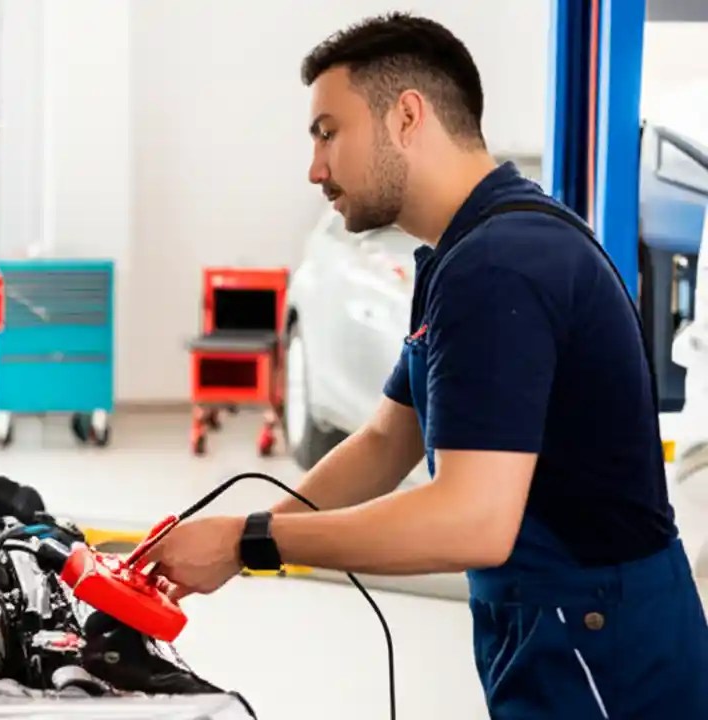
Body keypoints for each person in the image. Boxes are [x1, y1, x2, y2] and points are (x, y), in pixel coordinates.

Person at [143, 12, 708, 719]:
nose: (315, 168)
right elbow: (385, 441)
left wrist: (250, 542)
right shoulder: (467, 251)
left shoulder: (502, 263)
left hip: (606, 651)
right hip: (562, 627)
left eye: (327, 133)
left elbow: (472, 521)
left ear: (406, 116)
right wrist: (246, 538)